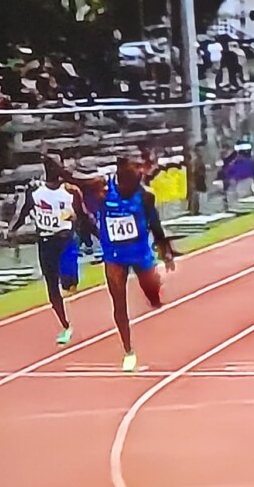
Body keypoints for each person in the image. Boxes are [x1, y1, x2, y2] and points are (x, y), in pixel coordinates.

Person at [74, 155, 177, 371]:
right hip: (114, 256)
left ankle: (155, 292)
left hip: (140, 253)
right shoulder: (102, 190)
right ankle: (128, 350)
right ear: (121, 179)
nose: (138, 181)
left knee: (152, 291)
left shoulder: (145, 197)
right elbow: (75, 183)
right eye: (134, 178)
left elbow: (156, 225)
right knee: (119, 304)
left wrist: (165, 251)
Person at [9, 153, 87, 345]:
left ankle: (70, 282)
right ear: (45, 168)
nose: (54, 169)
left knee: (69, 283)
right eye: (50, 165)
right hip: (45, 242)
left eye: (57, 165)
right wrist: (13, 229)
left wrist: (96, 235)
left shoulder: (71, 191)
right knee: (52, 288)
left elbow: (83, 216)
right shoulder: (35, 192)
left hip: (65, 240)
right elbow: (25, 211)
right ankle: (65, 325)